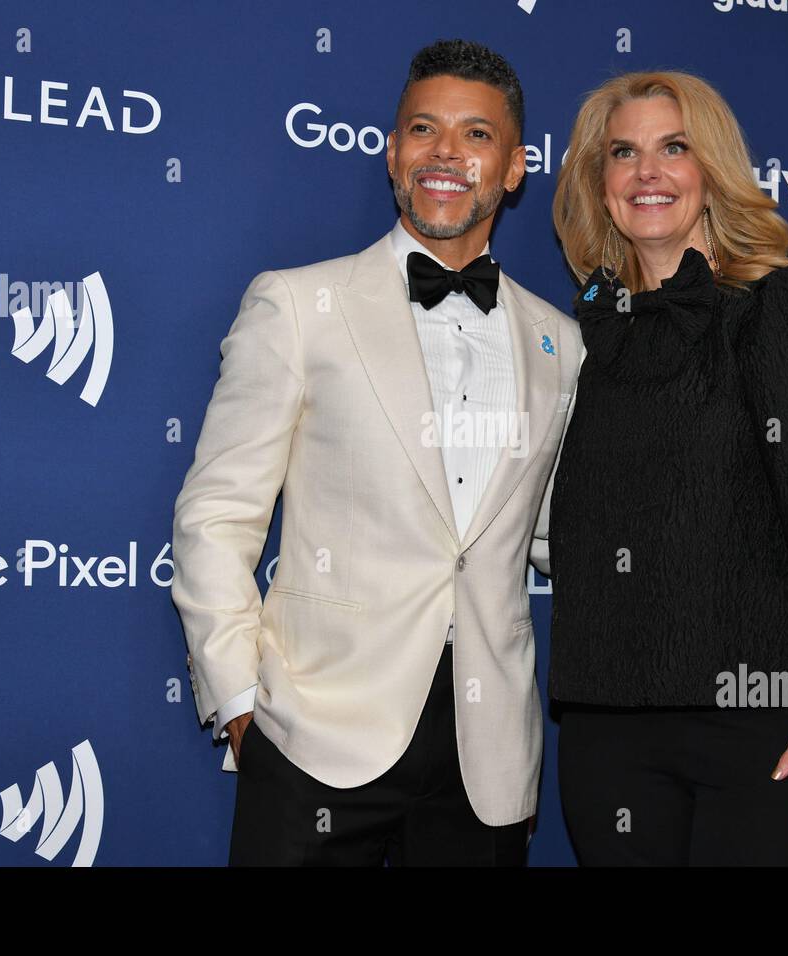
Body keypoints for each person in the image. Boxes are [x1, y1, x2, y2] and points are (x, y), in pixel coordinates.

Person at [170, 38, 582, 866]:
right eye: (423, 129)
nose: (445, 153)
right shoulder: (298, 305)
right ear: (392, 153)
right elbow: (217, 514)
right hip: (314, 739)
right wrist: (244, 702)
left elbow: (551, 538)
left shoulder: (562, 344)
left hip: (488, 757)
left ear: (513, 168)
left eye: (475, 135)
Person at [546, 71, 788, 866]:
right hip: (607, 736)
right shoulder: (590, 342)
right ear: (600, 184)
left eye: (673, 147)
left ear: (713, 169)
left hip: (769, 732)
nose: (647, 171)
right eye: (624, 152)